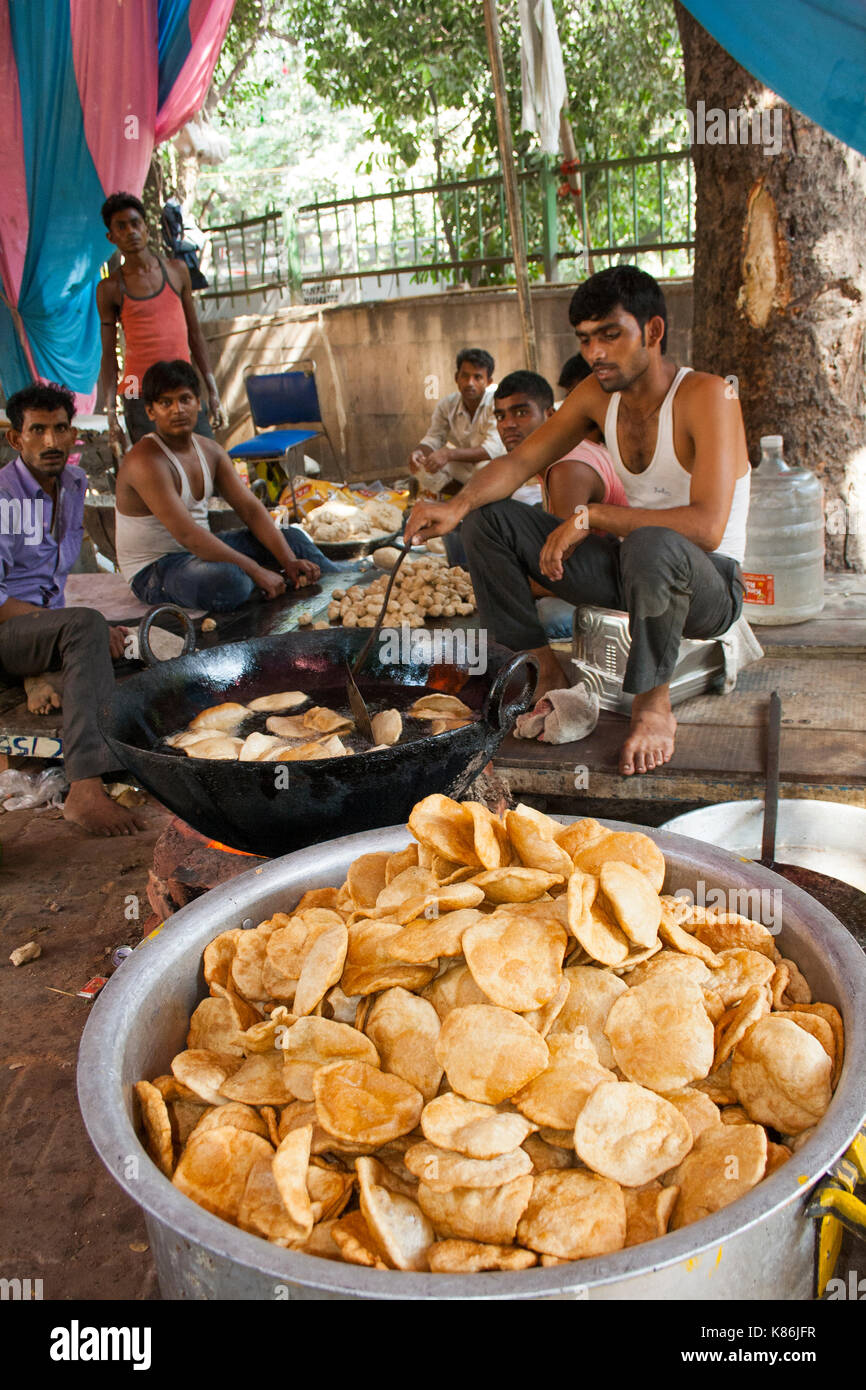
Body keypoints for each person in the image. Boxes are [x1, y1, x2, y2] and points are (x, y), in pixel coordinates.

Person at [405, 265, 750, 777]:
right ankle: (542, 666)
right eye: (586, 340)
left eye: (611, 335)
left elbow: (706, 528)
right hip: (635, 574)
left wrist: (594, 516)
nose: (595, 353)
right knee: (487, 520)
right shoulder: (595, 394)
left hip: (710, 586)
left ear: (652, 332)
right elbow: (518, 463)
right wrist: (455, 508)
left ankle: (653, 705)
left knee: (651, 542)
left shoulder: (708, 396)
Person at [0, 384, 143, 835]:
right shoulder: (5, 498)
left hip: (37, 629)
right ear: (15, 439)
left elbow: (50, 584)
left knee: (128, 643)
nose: (50, 441)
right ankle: (85, 789)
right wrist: (71, 630)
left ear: (72, 433)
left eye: (60, 428)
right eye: (37, 430)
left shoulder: (74, 484)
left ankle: (123, 758)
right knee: (87, 626)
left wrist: (81, 634)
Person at [114, 360, 338, 613]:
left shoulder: (210, 451)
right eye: (166, 403)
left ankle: (343, 580)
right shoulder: (145, 461)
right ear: (150, 412)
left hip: (198, 554)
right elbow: (188, 535)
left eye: (185, 399)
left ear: (199, 403)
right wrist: (254, 569)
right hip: (154, 570)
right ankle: (267, 580)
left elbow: (251, 509)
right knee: (230, 580)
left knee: (293, 539)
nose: (178, 409)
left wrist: (288, 561)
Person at [489, 368, 629, 640]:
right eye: (500, 415)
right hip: (606, 574)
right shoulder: (557, 458)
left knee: (540, 616)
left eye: (521, 412)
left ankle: (551, 677)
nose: (507, 424)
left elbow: (565, 575)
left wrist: (502, 586)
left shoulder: (568, 469)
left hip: (624, 593)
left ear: (551, 416)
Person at [97, 192, 224, 449]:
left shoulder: (177, 272)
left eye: (135, 223)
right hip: (136, 389)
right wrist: (111, 413)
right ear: (111, 237)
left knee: (204, 459)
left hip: (183, 386)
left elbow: (195, 334)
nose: (131, 231)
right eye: (121, 227)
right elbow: (109, 354)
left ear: (145, 227)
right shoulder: (110, 288)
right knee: (155, 467)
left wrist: (212, 390)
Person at [408, 347, 505, 567]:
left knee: (485, 469)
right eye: (465, 375)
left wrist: (448, 454)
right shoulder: (447, 404)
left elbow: (492, 449)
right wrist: (419, 452)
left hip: (492, 467)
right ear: (456, 378)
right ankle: (463, 501)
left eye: (477, 377)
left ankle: (472, 502)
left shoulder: (495, 402)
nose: (470, 382)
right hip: (463, 468)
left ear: (488, 380)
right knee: (420, 469)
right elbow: (433, 437)